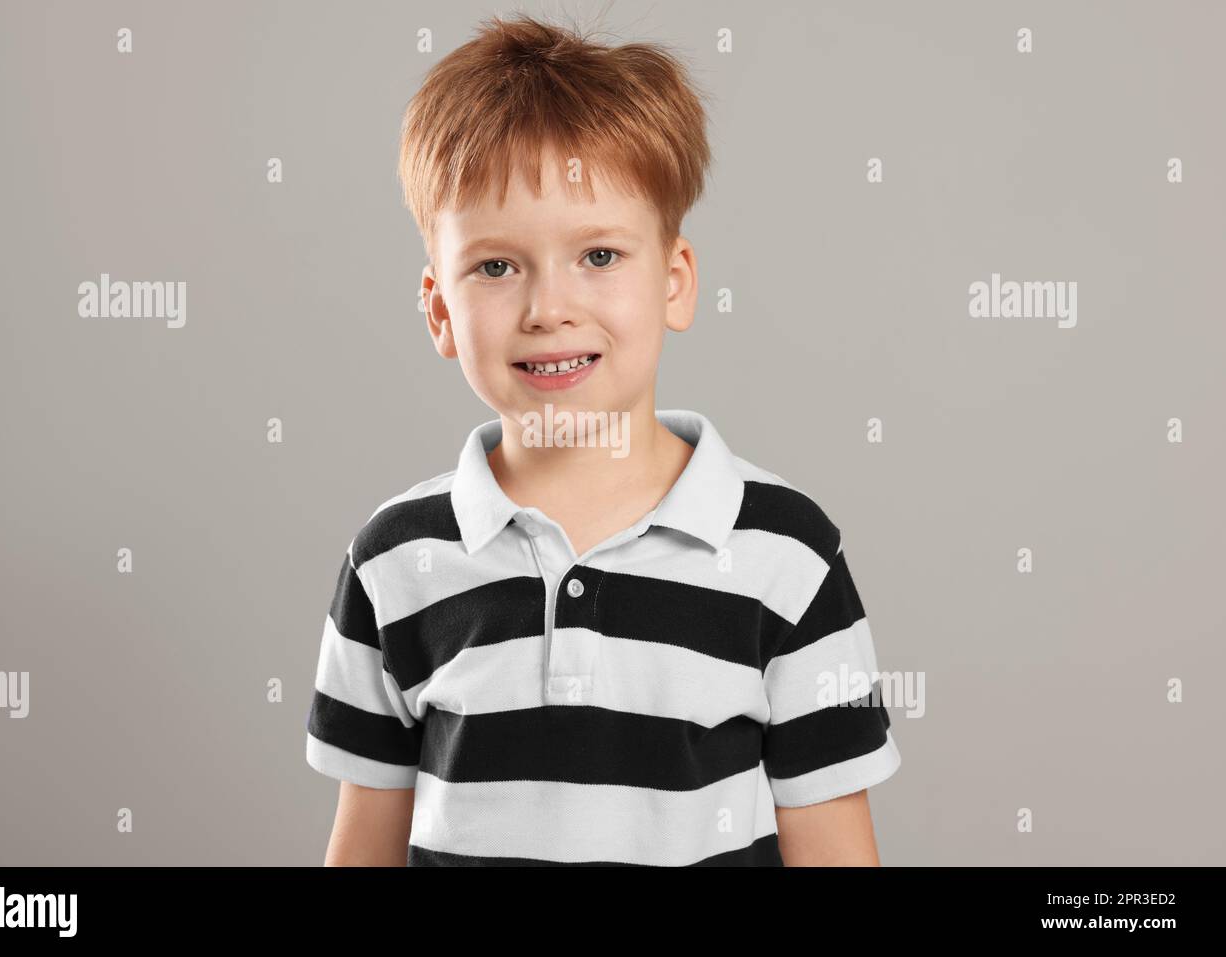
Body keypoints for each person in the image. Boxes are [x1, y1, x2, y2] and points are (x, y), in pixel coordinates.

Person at [305, 12, 900, 866]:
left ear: (675, 282)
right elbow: (363, 848)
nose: (550, 308)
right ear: (440, 309)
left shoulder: (788, 557)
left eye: (599, 256)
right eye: (497, 266)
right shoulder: (395, 563)